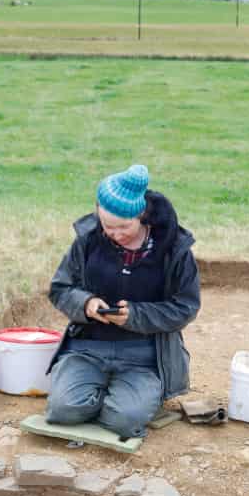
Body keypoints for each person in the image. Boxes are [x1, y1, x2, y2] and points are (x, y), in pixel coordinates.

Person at [44, 164, 200, 439]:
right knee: (62, 410)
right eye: (107, 225)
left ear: (142, 216)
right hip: (87, 349)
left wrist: (135, 315)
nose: (114, 233)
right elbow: (60, 288)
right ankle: (103, 389)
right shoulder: (87, 240)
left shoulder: (174, 249)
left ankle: (129, 397)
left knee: (124, 421)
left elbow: (185, 307)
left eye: (123, 226)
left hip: (144, 357)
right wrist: (86, 303)